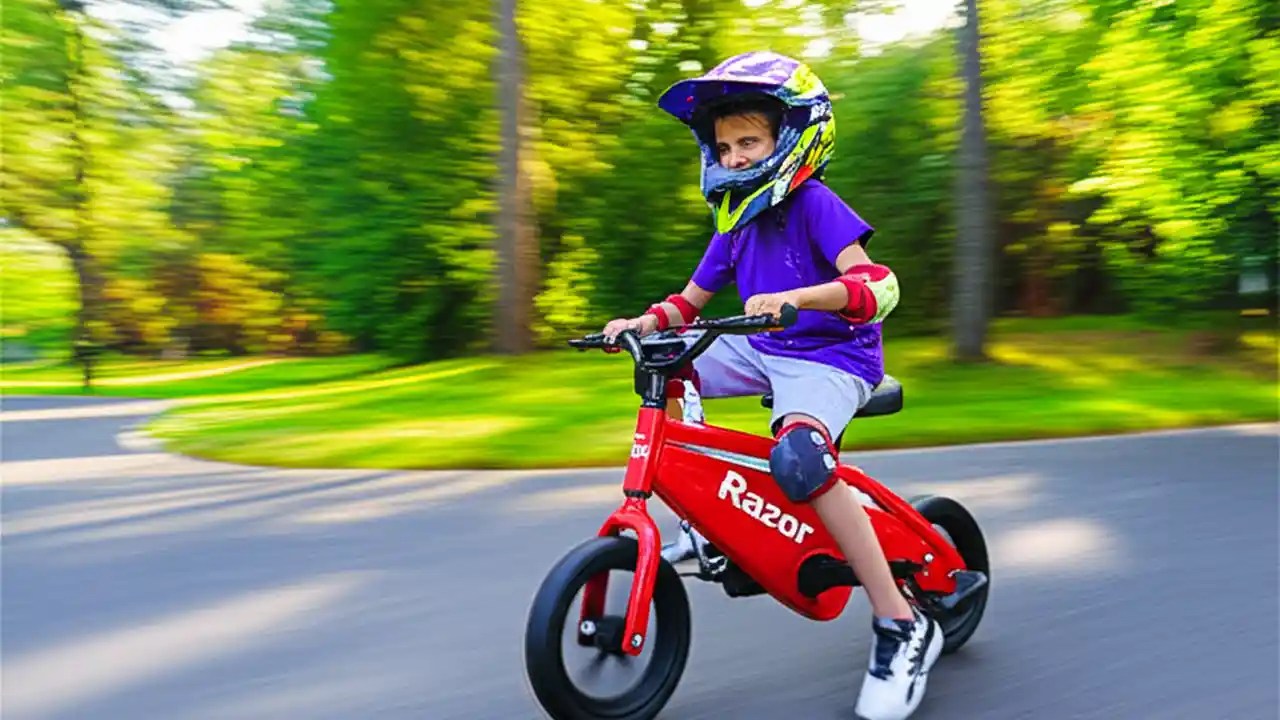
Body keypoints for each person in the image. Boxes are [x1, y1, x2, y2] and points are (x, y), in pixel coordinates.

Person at [600, 51, 941, 720]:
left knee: (801, 460)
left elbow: (879, 284)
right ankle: (706, 517)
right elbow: (690, 303)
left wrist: (803, 296)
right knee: (665, 358)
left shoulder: (817, 205)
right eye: (723, 145)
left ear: (792, 139)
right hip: (765, 349)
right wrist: (643, 322)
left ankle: (901, 623)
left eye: (748, 141)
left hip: (831, 357)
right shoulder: (736, 220)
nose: (732, 157)